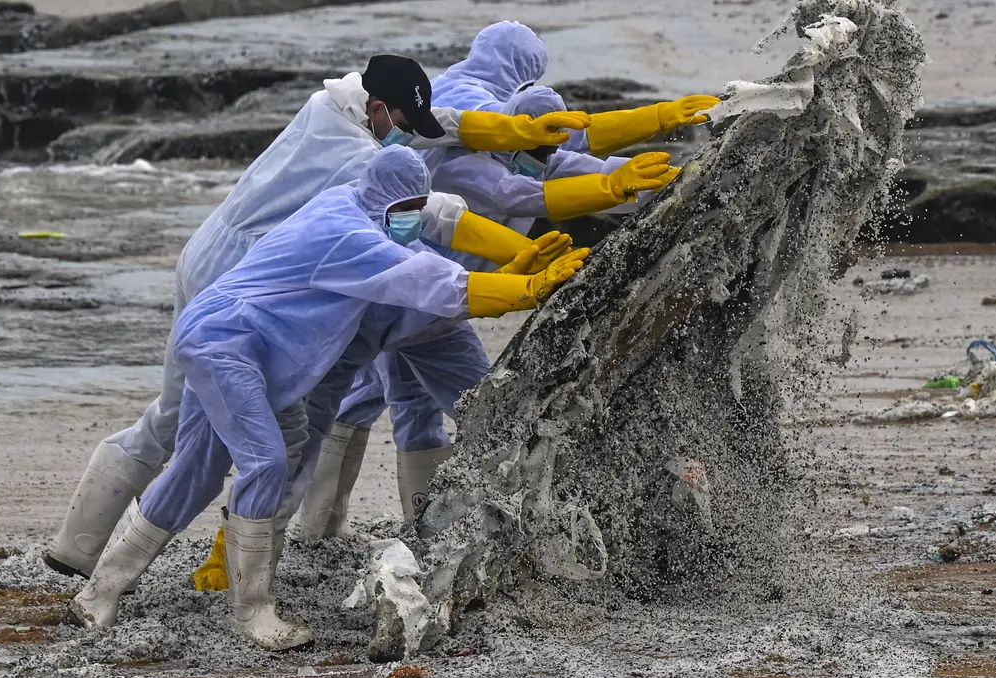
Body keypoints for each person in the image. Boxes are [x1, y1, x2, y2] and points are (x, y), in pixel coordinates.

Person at [44, 53, 592, 583]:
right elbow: (437, 219)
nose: (409, 133)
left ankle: (78, 549)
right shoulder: (353, 162)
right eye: (402, 119)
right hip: (241, 283)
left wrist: (520, 134)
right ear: (376, 107)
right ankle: (225, 564)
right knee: (247, 434)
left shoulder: (327, 108)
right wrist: (519, 271)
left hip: (210, 255)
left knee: (176, 417)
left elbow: (442, 127)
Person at [287, 85, 685, 540]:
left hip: (432, 318)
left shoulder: (543, 157)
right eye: (534, 143)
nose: (541, 156)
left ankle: (415, 533)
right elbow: (517, 196)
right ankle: (317, 532)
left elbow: (594, 167)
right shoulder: (468, 164)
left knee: (415, 409)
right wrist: (530, 274)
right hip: (410, 305)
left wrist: (672, 169)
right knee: (485, 412)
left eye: (547, 147)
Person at [429, 21, 720, 159]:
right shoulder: (469, 99)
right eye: (530, 82)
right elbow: (524, 131)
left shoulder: (443, 85)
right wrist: (656, 117)